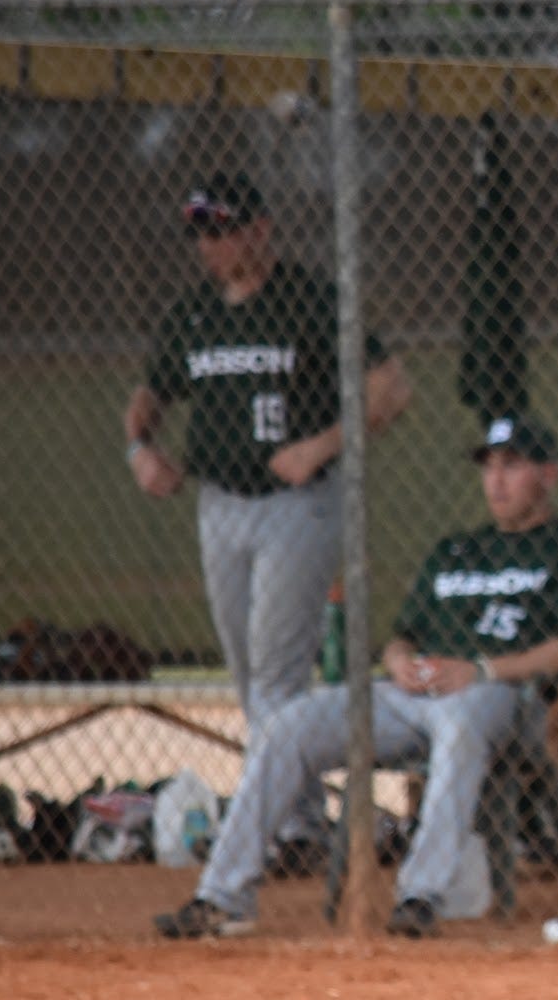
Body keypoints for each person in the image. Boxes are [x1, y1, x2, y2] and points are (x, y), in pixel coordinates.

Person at [154, 415, 558, 939]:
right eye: (489, 467)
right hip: (413, 693)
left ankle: (419, 896)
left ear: (549, 475)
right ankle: (221, 896)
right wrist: (398, 664)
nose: (497, 481)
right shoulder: (456, 550)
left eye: (513, 466)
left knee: (461, 724)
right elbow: (403, 637)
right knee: (289, 724)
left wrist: (481, 669)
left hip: (500, 693)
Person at [124, 173, 412, 863]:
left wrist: (321, 445)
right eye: (203, 233)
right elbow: (147, 398)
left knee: (279, 672)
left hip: (296, 507)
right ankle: (298, 820)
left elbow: (391, 386)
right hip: (220, 504)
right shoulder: (194, 314)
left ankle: (280, 829)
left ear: (261, 229)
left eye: (224, 230)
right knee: (249, 674)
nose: (212, 246)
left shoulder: (308, 299)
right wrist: (141, 450)